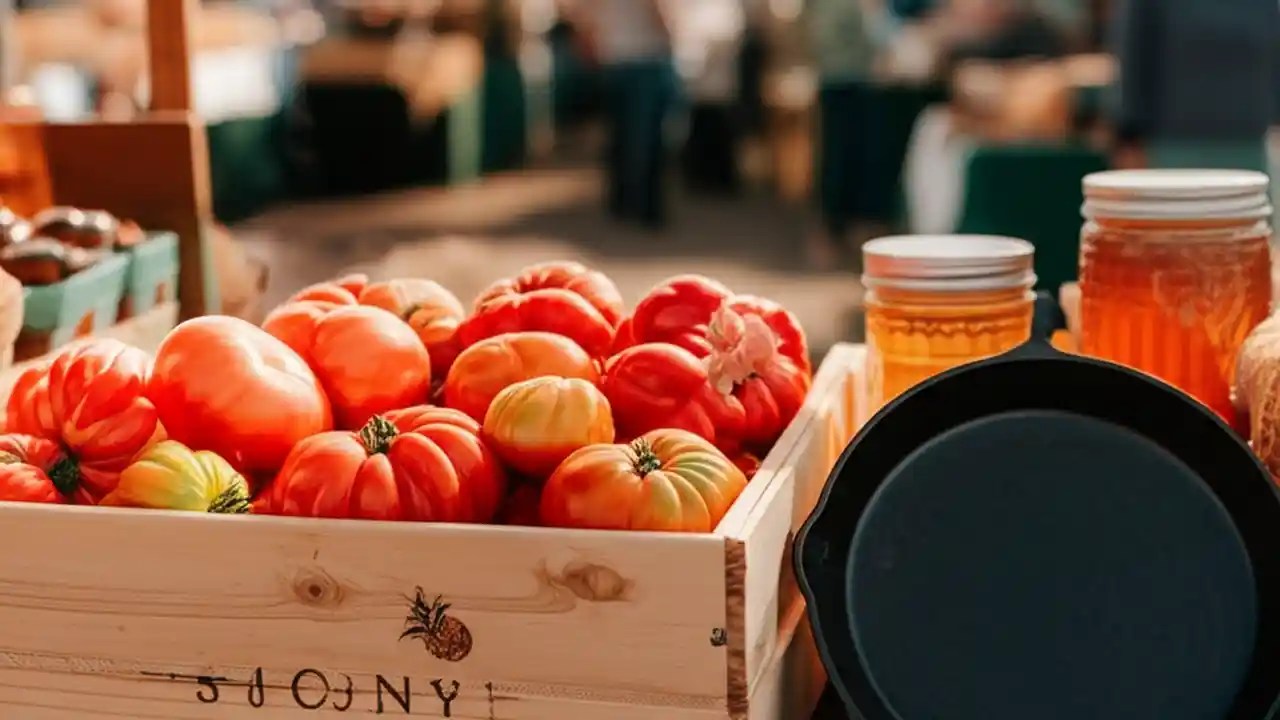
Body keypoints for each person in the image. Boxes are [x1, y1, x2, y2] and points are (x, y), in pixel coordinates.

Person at [1112, 0, 1280, 174]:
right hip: (1174, 145)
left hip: (1247, 143)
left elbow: (1274, 56)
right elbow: (1135, 55)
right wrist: (1128, 133)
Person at [804, 0, 894, 265]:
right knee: (836, 159)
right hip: (840, 82)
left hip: (867, 83)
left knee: (865, 157)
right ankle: (829, 232)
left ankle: (859, 230)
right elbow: (822, 37)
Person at [582, 0, 679, 228]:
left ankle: (623, 202)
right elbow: (661, 14)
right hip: (646, 59)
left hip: (615, 59)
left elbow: (586, 15)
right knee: (648, 139)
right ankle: (646, 205)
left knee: (622, 135)